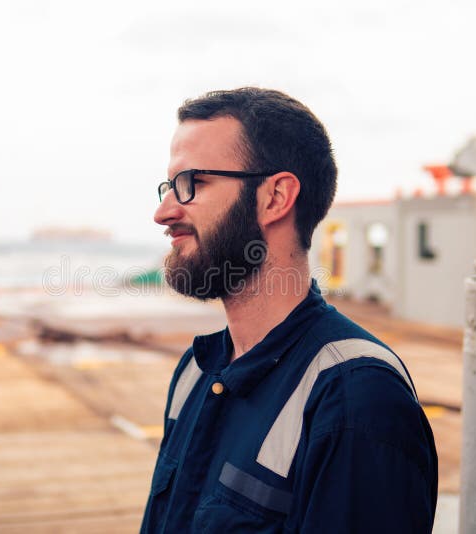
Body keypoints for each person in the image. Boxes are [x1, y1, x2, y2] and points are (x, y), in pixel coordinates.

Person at [143, 87, 437, 533]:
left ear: (275, 197)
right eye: (169, 186)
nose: (163, 213)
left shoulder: (357, 401)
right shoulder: (195, 374)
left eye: (192, 185)